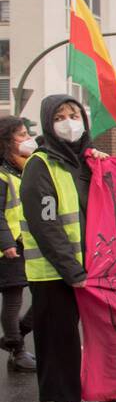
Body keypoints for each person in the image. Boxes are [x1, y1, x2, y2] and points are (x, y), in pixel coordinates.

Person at [18, 96, 116, 402]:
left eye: (73, 115)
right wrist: (72, 269)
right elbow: (45, 225)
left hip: (100, 270)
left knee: (109, 336)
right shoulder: (40, 165)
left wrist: (107, 167)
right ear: (48, 123)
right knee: (61, 346)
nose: (68, 122)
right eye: (59, 117)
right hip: (55, 274)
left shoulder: (90, 162)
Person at [1, 116, 36, 372]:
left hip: (27, 243)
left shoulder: (23, 167)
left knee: (44, 297)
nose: (27, 139)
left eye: (27, 133)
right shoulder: (3, 173)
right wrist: (6, 243)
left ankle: (15, 338)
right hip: (9, 249)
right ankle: (17, 350)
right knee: (13, 300)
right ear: (6, 140)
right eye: (21, 134)